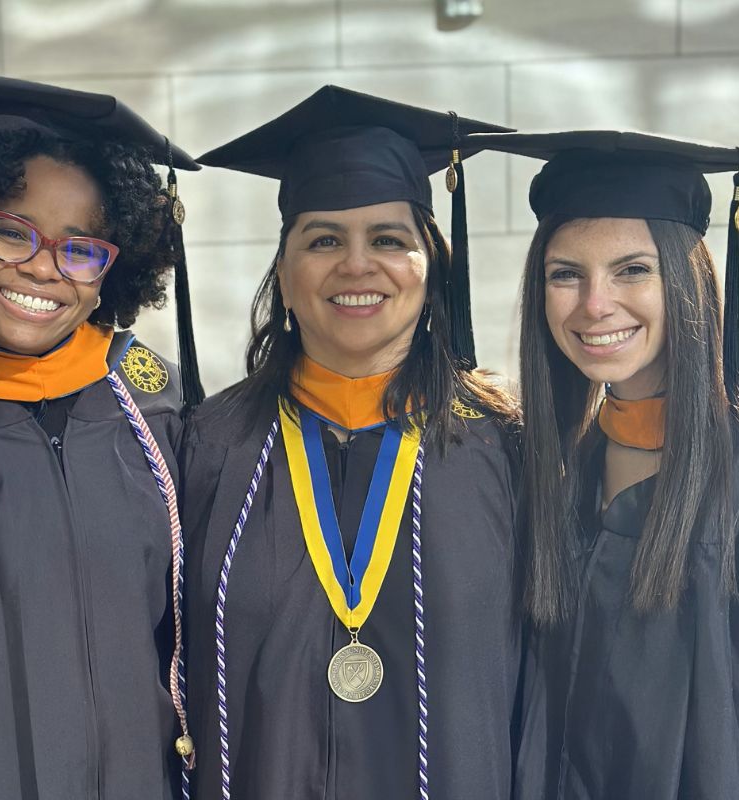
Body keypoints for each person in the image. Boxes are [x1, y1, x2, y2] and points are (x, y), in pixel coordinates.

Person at [181, 85, 523, 800]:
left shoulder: (507, 449)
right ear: (284, 271)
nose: (357, 265)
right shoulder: (209, 447)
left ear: (431, 270)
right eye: (324, 239)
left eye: (389, 240)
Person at [473, 129, 739, 799]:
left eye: (633, 269)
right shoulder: (565, 470)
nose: (595, 305)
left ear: (687, 281)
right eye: (565, 274)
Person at [0, 62, 202, 799]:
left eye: (81, 247)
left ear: (110, 271)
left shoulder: (156, 406)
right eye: (11, 231)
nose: (42, 270)